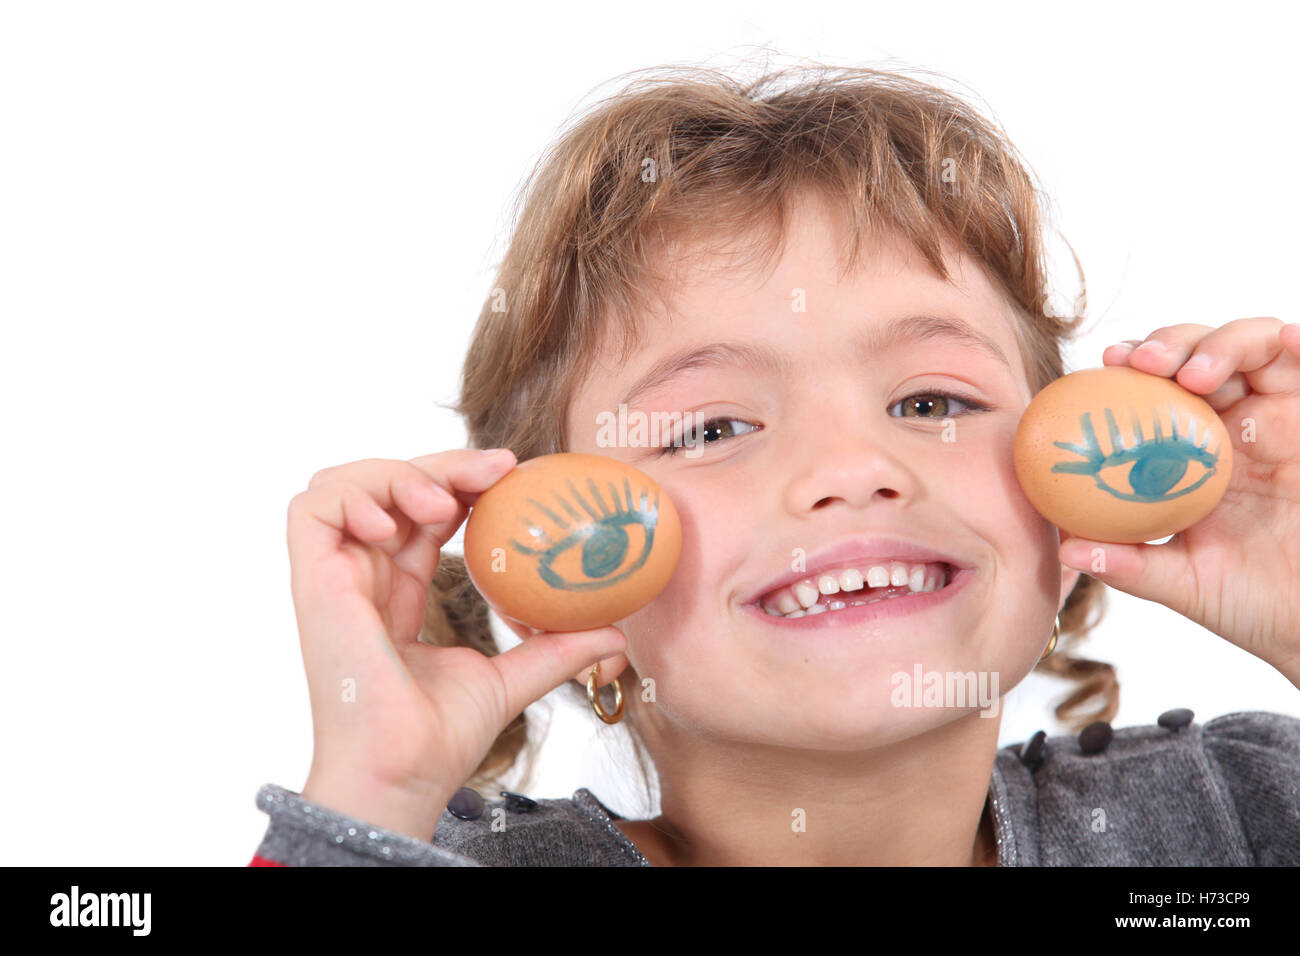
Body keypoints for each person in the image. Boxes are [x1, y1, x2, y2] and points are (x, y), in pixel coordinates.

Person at [249, 60, 1300, 867]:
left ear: (1073, 502)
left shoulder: (1234, 821)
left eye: (930, 402)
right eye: (711, 428)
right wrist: (371, 795)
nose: (851, 467)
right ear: (555, 593)